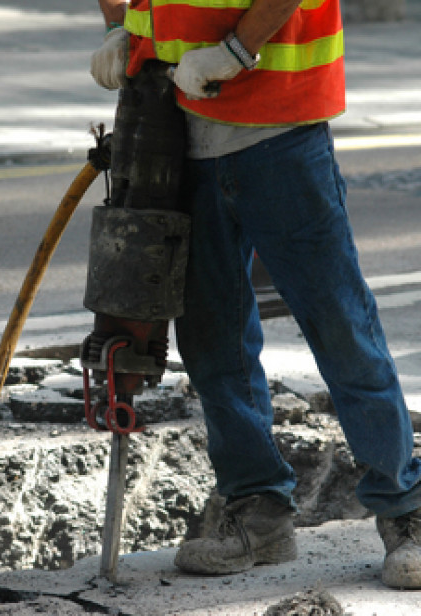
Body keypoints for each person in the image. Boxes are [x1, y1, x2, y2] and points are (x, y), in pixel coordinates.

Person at [92, 0, 421, 589]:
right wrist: (120, 25)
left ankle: (405, 505)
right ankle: (258, 509)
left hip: (279, 128)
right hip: (177, 129)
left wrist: (237, 50)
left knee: (339, 322)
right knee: (212, 337)